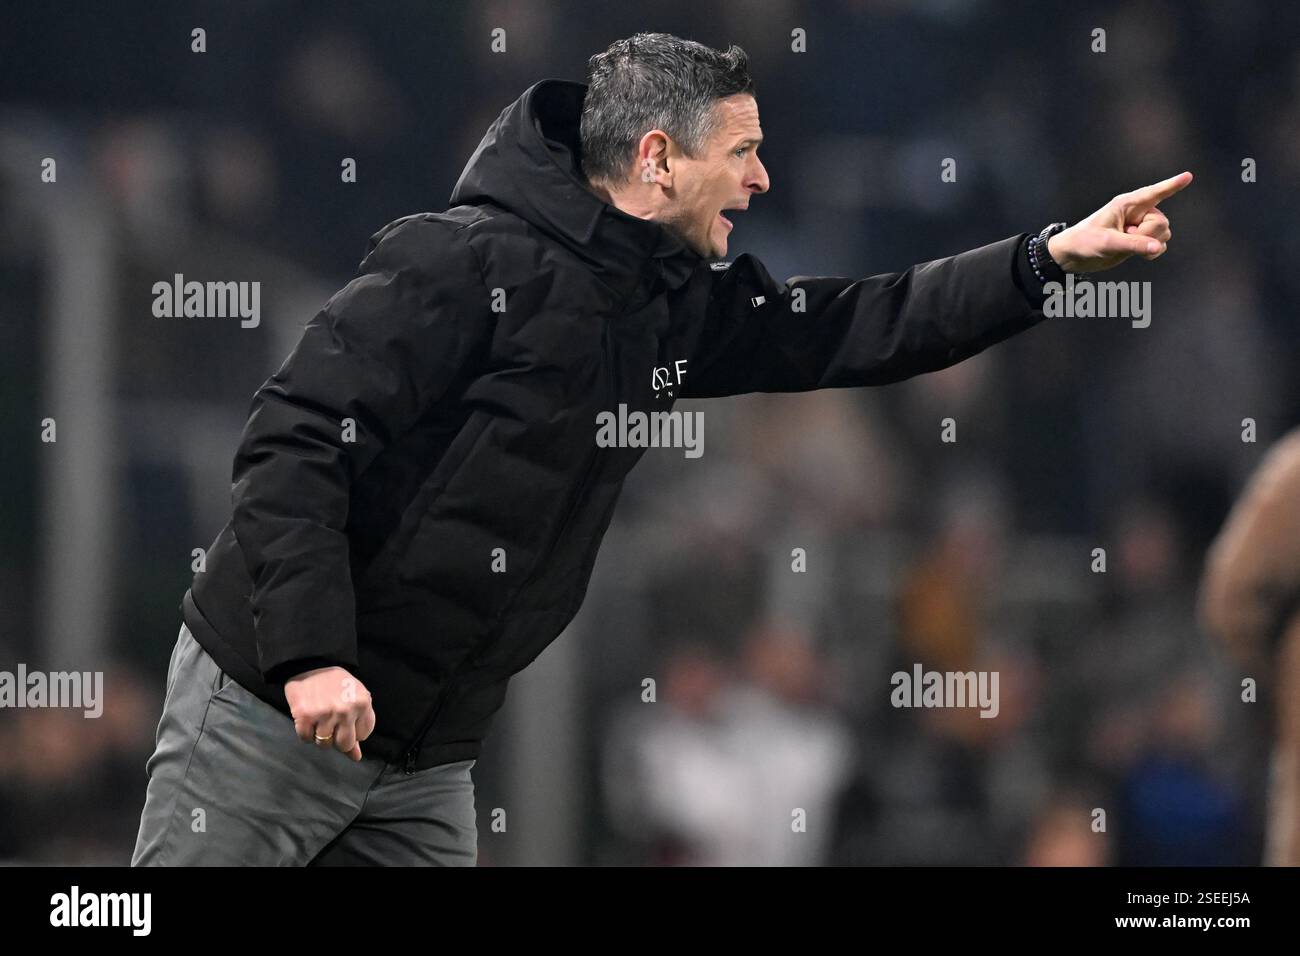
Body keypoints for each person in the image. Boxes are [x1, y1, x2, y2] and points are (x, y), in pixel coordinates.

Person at [132, 31, 1189, 866]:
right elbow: (293, 440)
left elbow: (861, 322)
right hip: (271, 708)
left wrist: (1046, 257)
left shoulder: (670, 305)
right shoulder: (452, 261)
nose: (763, 179)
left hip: (420, 752)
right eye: (742, 152)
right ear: (655, 157)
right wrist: (310, 654)